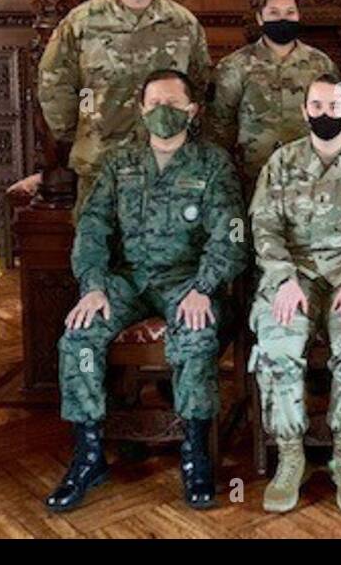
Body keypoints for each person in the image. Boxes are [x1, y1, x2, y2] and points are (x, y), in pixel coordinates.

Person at [45, 69, 246, 513]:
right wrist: (93, 286)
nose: (162, 111)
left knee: (195, 335)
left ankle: (196, 452)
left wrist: (205, 287)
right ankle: (89, 454)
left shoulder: (213, 163)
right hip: (127, 281)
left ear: (193, 111)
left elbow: (230, 233)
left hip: (187, 281)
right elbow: (93, 227)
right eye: (154, 104)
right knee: (78, 337)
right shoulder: (119, 163)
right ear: (141, 110)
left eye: (173, 104)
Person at [248, 74, 341, 514]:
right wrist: (283, 277)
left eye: (334, 106)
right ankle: (290, 454)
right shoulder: (281, 162)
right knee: (277, 347)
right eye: (316, 106)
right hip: (294, 273)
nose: (325, 114)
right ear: (304, 110)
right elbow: (264, 226)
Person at [37, 0, 212, 206]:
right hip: (100, 165)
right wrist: (82, 133)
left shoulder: (183, 24)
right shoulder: (81, 22)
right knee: (96, 235)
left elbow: (201, 87)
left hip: (167, 166)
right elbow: (54, 85)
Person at [207, 0, 336, 188]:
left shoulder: (321, 65)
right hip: (253, 177)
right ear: (260, 18)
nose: (283, 19)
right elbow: (220, 126)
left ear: (298, 16)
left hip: (308, 177)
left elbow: (335, 117)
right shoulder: (235, 66)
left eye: (290, 13)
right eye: (274, 13)